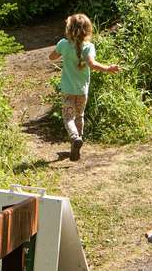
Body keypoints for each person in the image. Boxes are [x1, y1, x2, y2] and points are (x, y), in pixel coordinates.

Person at [48, 13, 119, 161]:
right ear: (87, 30)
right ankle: (77, 144)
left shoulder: (63, 44)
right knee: (79, 116)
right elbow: (93, 64)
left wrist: (60, 51)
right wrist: (108, 68)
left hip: (67, 90)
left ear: (69, 29)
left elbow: (51, 57)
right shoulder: (89, 47)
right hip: (82, 91)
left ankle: (74, 138)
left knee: (68, 118)